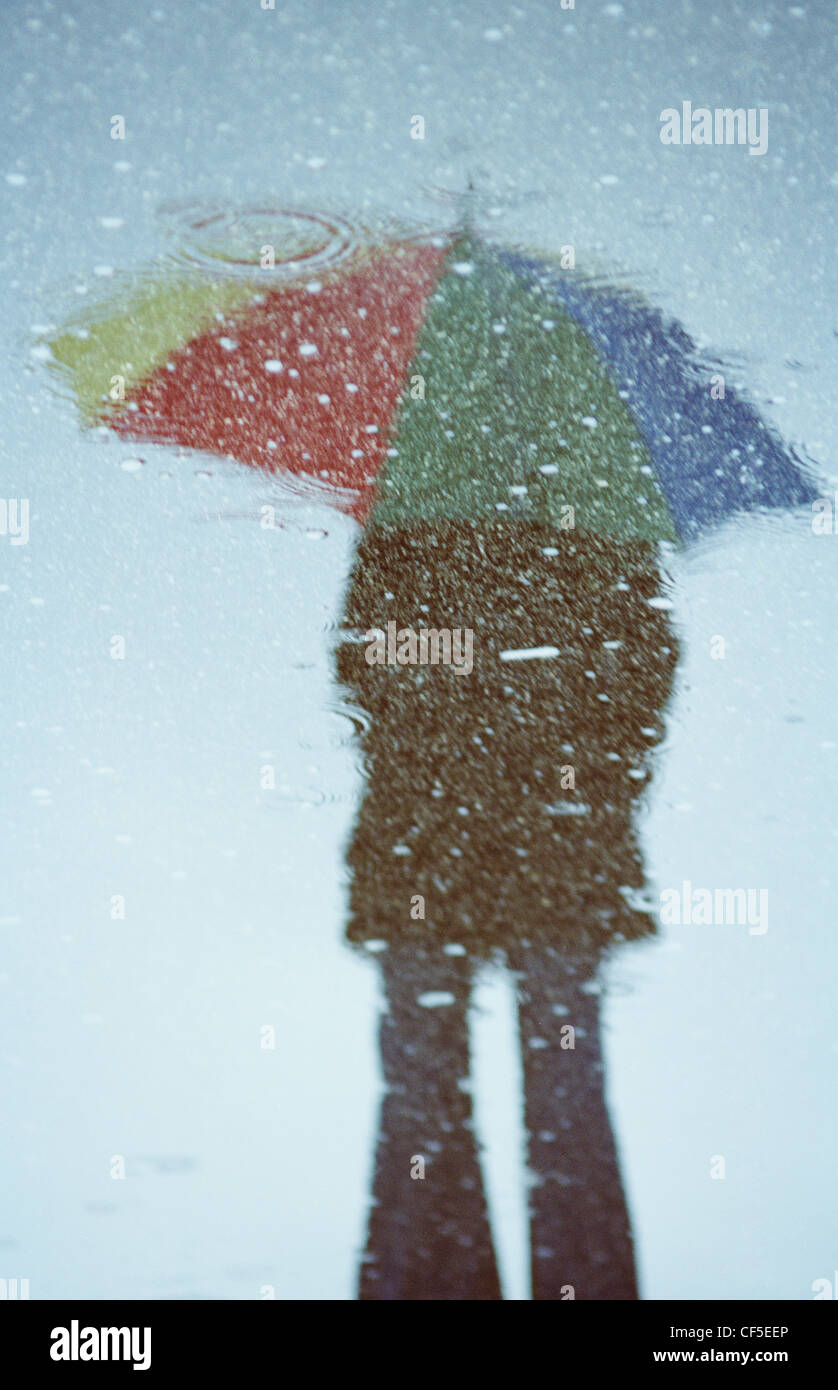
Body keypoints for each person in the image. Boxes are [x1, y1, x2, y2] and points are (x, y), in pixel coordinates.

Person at [336, 516, 679, 1300]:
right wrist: (579, 778)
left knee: (431, 1098)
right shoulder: (599, 510)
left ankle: (433, 1282)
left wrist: (451, 724)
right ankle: (578, 1285)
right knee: (556, 1099)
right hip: (541, 851)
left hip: (435, 843)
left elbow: (359, 664)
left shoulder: (409, 507)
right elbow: (646, 678)